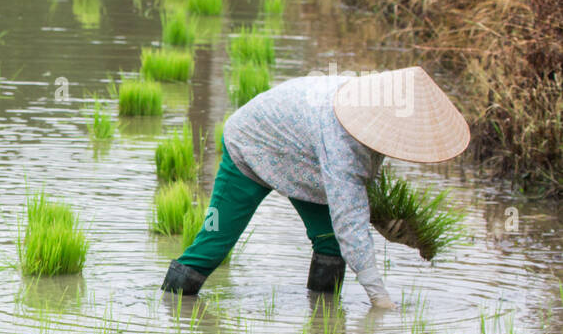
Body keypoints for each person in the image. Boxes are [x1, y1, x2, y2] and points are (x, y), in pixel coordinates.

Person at [160, 66, 469, 307]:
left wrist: (386, 222)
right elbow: (350, 219)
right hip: (251, 144)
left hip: (302, 157)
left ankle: (322, 324)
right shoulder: (341, 138)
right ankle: (170, 316)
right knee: (212, 244)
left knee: (331, 242)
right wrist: (380, 298)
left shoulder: (373, 119)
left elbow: (354, 197)